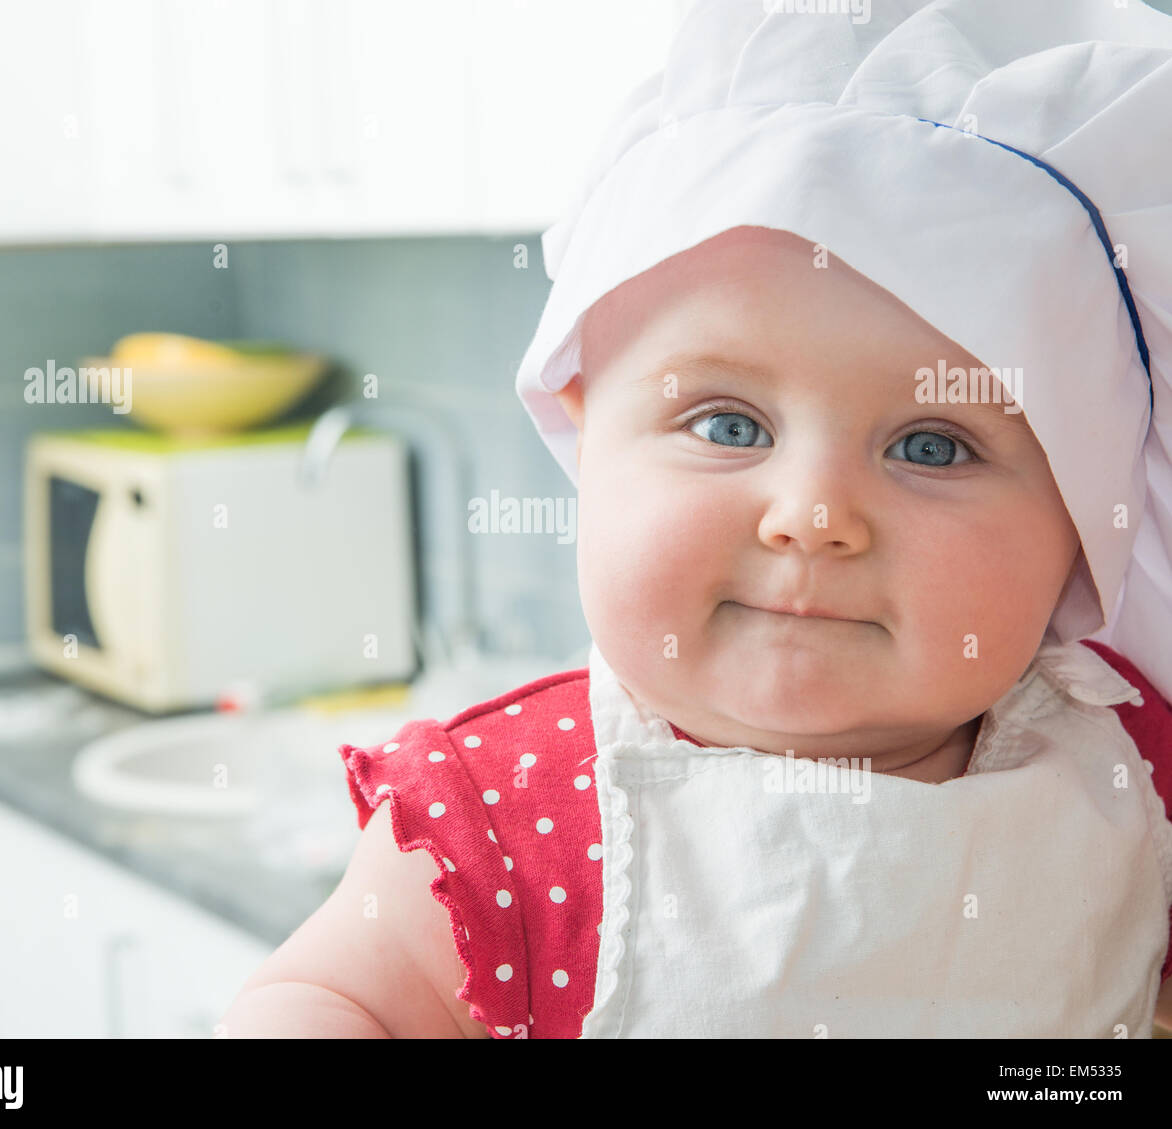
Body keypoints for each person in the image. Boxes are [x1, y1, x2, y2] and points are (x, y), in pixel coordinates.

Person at [221, 0, 1172, 1037]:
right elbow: (325, 1000)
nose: (812, 517)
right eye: (726, 424)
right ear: (586, 436)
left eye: (931, 445)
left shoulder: (1126, 777)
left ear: (1084, 521)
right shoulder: (499, 812)